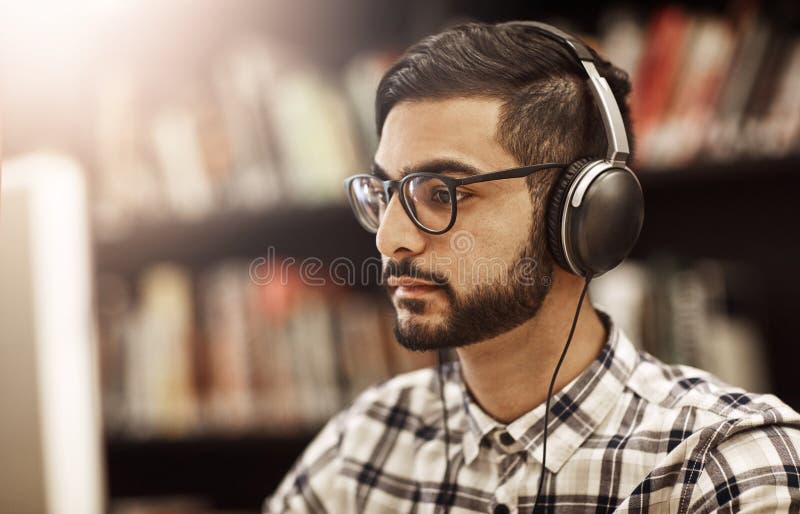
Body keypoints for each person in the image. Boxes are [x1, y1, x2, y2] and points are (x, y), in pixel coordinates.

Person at [264, 20, 800, 513]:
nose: (389, 238)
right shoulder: (361, 448)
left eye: (442, 193)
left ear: (585, 217)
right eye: (385, 192)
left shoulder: (723, 469)